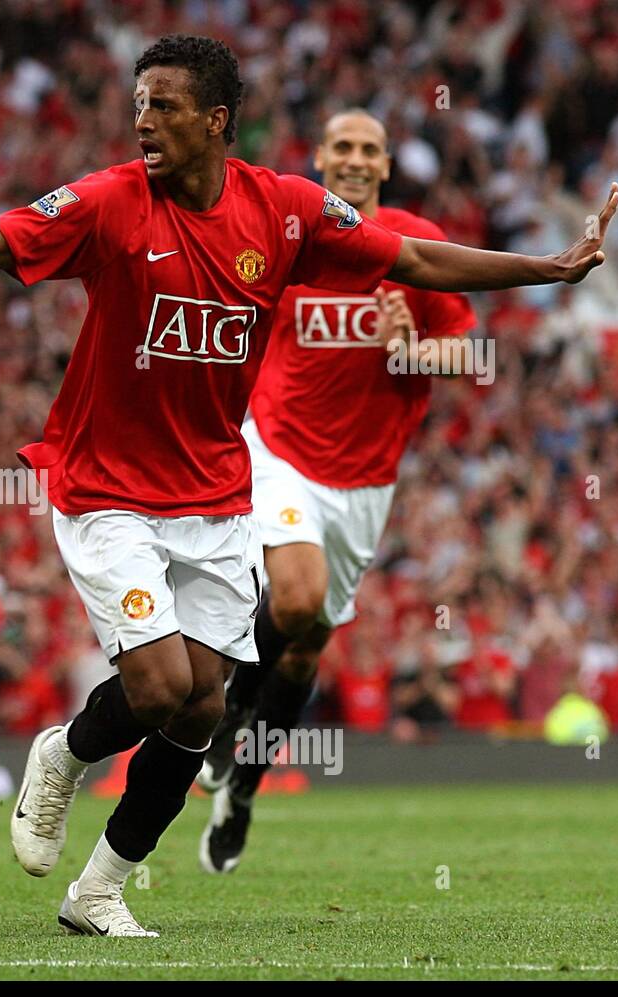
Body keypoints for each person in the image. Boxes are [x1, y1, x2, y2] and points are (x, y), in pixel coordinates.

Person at [0, 34, 618, 936]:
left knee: (204, 704)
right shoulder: (108, 201)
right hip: (105, 486)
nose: (143, 121)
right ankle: (64, 753)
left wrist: (545, 269)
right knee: (155, 686)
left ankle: (100, 887)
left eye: (164, 106)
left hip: (216, 491)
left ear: (216, 121)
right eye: (139, 103)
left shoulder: (288, 211)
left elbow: (411, 263)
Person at [195, 109, 478, 874]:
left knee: (307, 644)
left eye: (368, 150)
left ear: (385, 165)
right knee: (294, 599)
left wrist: (411, 350)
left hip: (366, 482)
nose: (354, 159)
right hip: (281, 449)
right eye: (342, 147)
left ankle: (244, 787)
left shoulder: (414, 244)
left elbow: (471, 353)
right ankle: (220, 721)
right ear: (320, 158)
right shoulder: (293, 234)